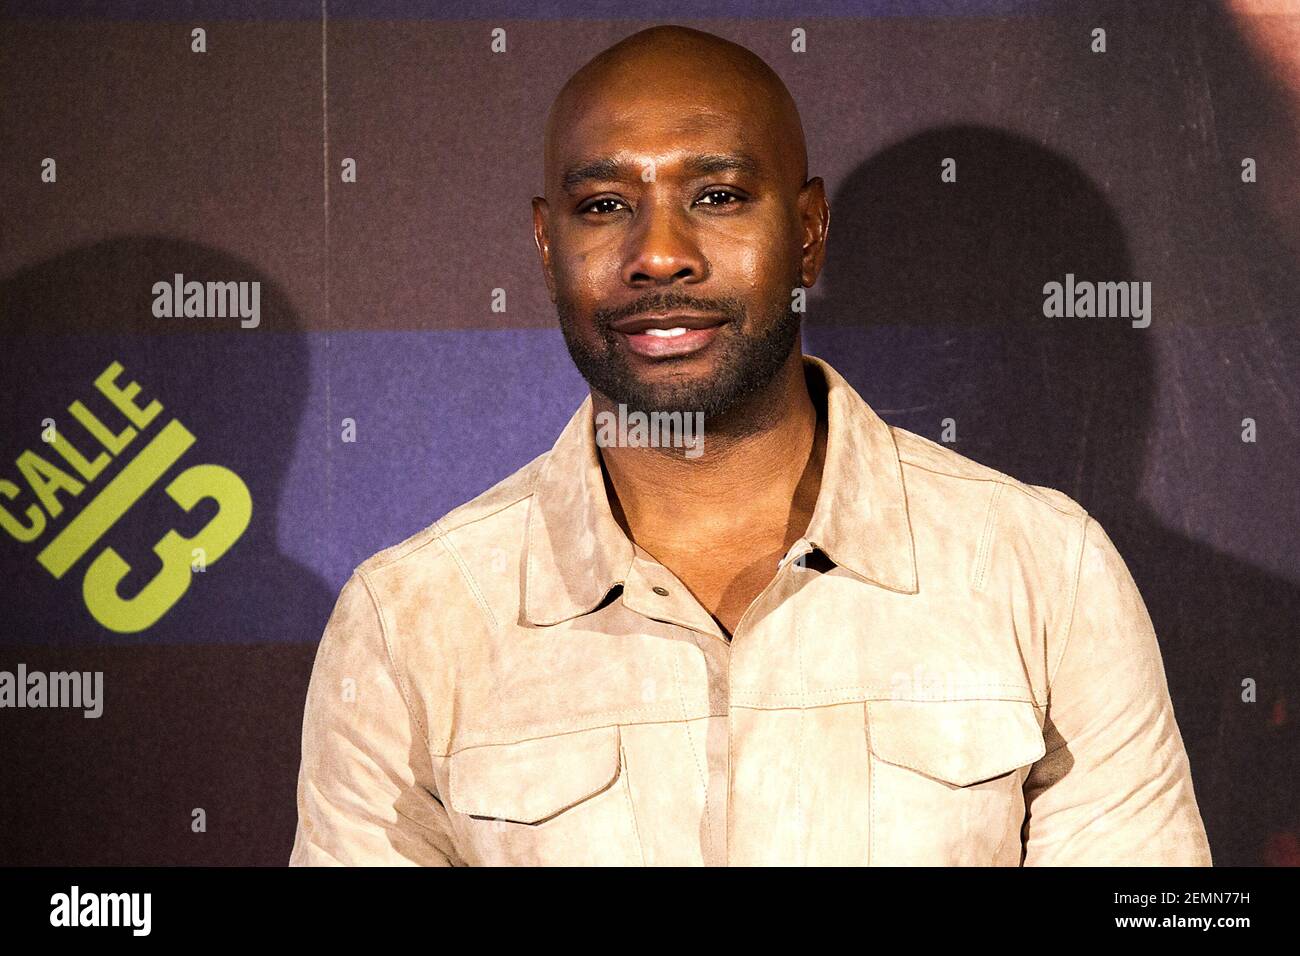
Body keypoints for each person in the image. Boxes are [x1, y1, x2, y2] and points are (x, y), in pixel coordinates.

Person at [289, 25, 1211, 866]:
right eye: (605, 204)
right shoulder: (411, 621)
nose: (659, 254)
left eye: (718, 195)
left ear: (807, 234)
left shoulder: (1045, 573)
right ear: (544, 245)